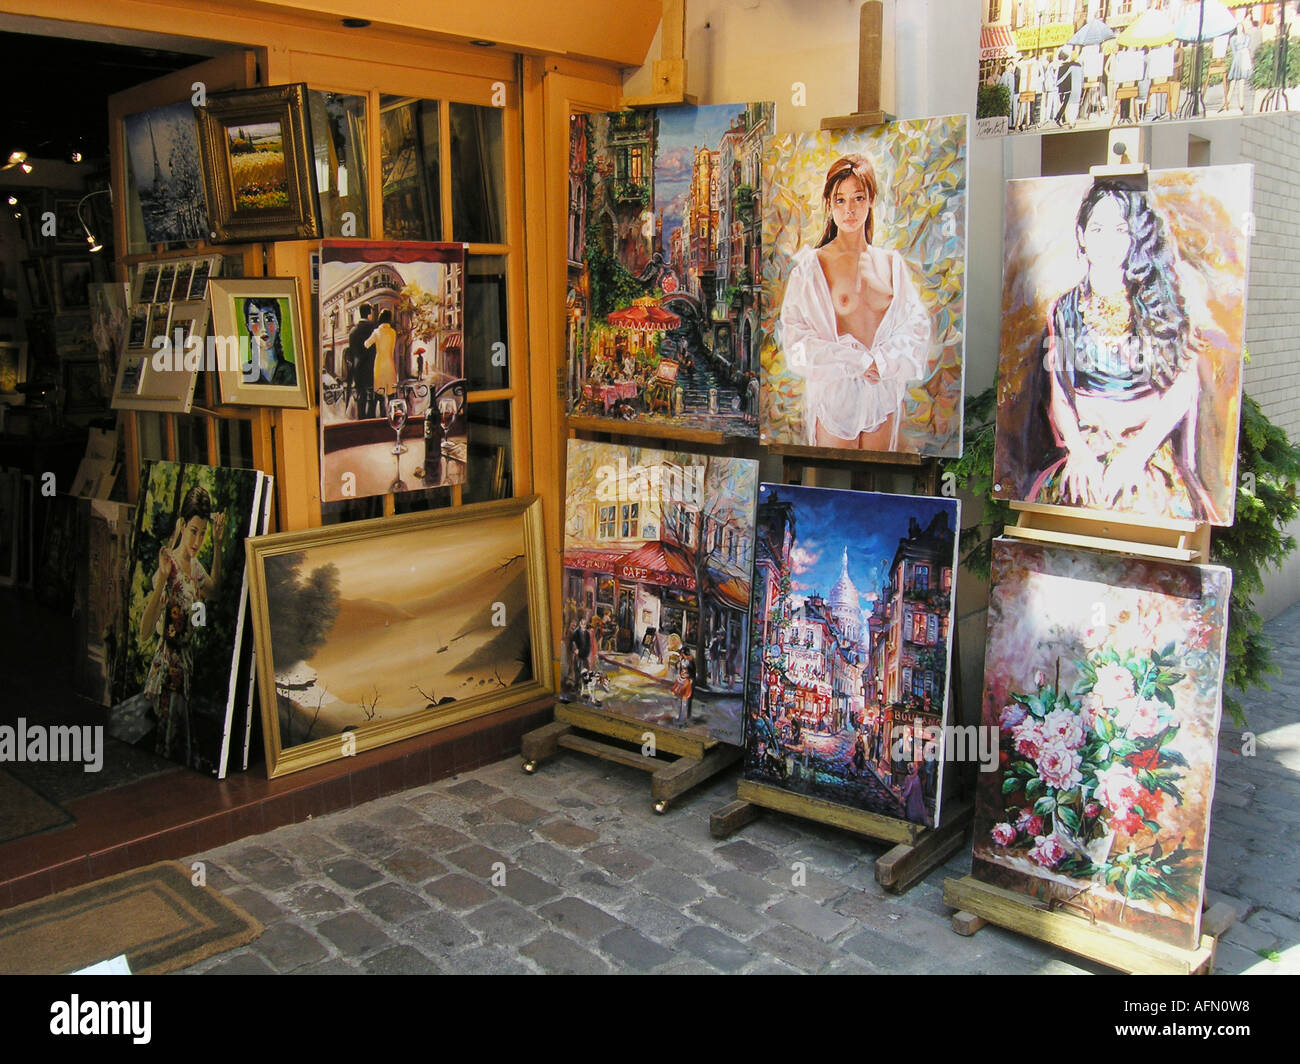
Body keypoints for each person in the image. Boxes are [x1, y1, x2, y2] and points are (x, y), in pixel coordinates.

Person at [1027, 180, 1218, 521]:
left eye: (1120, 230)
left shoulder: (1162, 304)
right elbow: (1061, 396)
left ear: (1135, 237)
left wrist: (1134, 455)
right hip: (1087, 449)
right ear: (1082, 236)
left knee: (1142, 509)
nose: (1108, 242)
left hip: (1144, 450)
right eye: (1098, 229)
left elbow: (1182, 390)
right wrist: (1080, 452)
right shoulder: (1064, 308)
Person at [779, 154, 930, 451]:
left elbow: (917, 328)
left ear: (871, 199)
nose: (849, 210)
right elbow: (796, 338)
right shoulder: (812, 268)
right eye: (840, 200)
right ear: (829, 204)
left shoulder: (891, 264)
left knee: (878, 488)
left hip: (881, 393)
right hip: (836, 396)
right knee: (830, 491)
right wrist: (856, 361)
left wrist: (882, 362)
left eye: (858, 198)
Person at [139, 485, 227, 764]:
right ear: (182, 525)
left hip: (186, 663)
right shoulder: (170, 565)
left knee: (181, 740)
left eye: (201, 533)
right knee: (169, 738)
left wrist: (217, 544)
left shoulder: (195, 567)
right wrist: (164, 579)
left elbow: (215, 592)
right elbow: (144, 632)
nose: (197, 541)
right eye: (193, 531)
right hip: (169, 665)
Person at [241, 297, 296, 386]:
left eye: (269, 319)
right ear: (248, 326)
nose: (263, 328)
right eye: (255, 320)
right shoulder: (242, 374)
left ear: (277, 323)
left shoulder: (294, 373)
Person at [365, 308, 398, 418]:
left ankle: (382, 415)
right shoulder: (393, 332)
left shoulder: (376, 332)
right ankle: (390, 416)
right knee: (391, 393)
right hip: (390, 364)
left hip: (379, 364)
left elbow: (366, 344)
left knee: (379, 392)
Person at [347, 304, 377, 418]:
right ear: (369, 314)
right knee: (372, 396)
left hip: (358, 368)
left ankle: (361, 419)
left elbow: (350, 352)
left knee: (361, 396)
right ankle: (371, 420)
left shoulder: (353, 331)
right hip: (371, 367)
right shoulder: (373, 329)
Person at [1225, 22, 1254, 113]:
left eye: (1240, 27)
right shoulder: (1233, 39)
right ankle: (1227, 102)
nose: (1239, 29)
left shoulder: (1246, 37)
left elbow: (1246, 45)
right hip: (1237, 59)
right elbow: (1234, 50)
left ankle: (1241, 104)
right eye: (1238, 28)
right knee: (1233, 82)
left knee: (1241, 83)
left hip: (1243, 59)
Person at [901, 762, 932, 827]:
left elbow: (908, 790)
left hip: (912, 799)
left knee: (912, 815)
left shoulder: (909, 778)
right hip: (918, 799)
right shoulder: (917, 777)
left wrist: (903, 797)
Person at [672, 656, 695, 725]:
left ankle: (682, 719)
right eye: (682, 672)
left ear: (687, 675)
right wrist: (673, 690)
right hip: (679, 695)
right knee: (678, 705)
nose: (683, 674)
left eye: (685, 673)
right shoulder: (679, 679)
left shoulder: (687, 681)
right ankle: (679, 717)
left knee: (683, 707)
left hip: (684, 696)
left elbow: (688, 689)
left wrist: (686, 696)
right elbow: (675, 685)